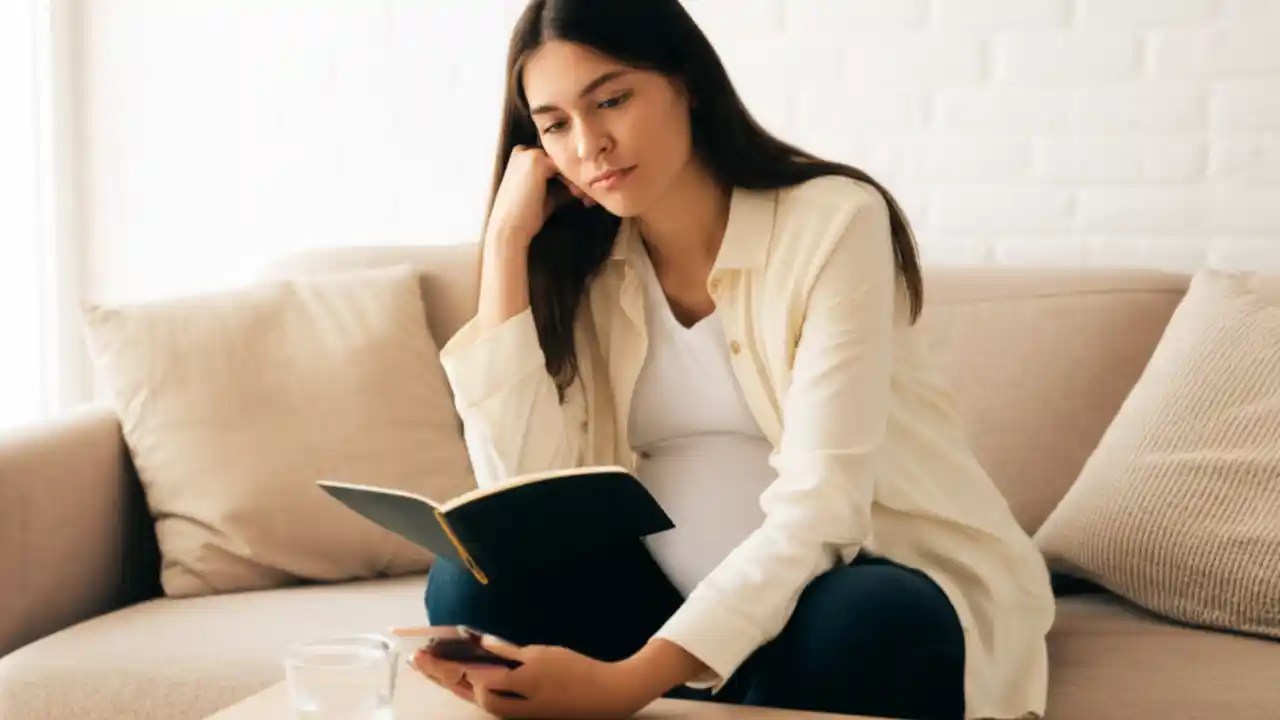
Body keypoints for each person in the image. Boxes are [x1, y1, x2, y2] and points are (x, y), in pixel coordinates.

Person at [392, 1, 1055, 718]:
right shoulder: (585, 260)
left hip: (837, 589)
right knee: (470, 578)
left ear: (687, 81)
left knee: (872, 620)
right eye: (555, 125)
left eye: (612, 100)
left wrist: (628, 682)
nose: (589, 144)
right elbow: (527, 504)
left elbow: (824, 509)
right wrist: (506, 247)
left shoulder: (834, 220)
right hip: (652, 611)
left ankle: (703, 692)